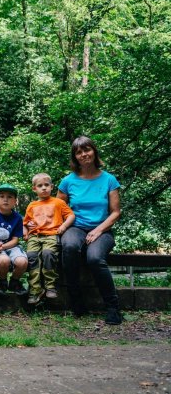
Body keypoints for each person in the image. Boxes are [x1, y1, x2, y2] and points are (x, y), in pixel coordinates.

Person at [58, 136, 123, 324]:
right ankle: (76, 300)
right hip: (75, 227)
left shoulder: (109, 179)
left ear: (94, 151)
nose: (84, 154)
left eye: (87, 150)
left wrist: (98, 230)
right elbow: (57, 209)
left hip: (102, 229)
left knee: (94, 258)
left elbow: (116, 212)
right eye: (79, 152)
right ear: (75, 157)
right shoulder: (68, 181)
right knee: (70, 247)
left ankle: (112, 307)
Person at [24, 173, 75, 305]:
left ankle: (50, 286)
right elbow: (26, 222)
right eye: (40, 186)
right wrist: (25, 232)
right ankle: (35, 289)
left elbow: (71, 215)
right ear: (34, 189)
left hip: (52, 235)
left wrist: (64, 226)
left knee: (48, 254)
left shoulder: (59, 202)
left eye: (46, 185)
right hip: (35, 236)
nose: (44, 188)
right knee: (31, 256)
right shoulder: (32, 205)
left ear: (52, 187)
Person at [0, 184, 28, 297]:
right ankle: (2, 282)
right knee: (3, 261)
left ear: (15, 201)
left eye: (10, 197)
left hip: (11, 246)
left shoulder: (17, 217)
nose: (5, 199)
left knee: (22, 262)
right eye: (2, 196)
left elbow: (15, 239)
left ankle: (14, 282)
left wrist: (4, 247)